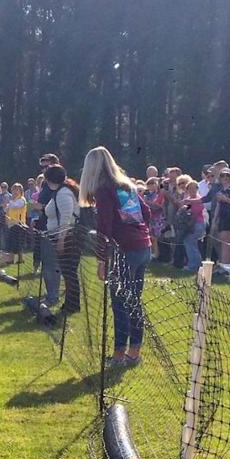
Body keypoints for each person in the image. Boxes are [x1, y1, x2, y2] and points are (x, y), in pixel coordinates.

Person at [81, 146, 151, 367]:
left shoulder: (104, 189)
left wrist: (101, 260)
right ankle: (134, 351)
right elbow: (146, 212)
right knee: (134, 301)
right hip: (143, 246)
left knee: (119, 302)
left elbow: (104, 227)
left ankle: (119, 355)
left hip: (123, 250)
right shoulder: (127, 186)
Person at [35, 166, 79, 309]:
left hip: (66, 238)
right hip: (61, 236)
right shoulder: (60, 192)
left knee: (68, 272)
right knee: (66, 272)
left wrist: (61, 240)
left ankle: (71, 304)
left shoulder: (63, 194)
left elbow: (66, 219)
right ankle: (70, 303)